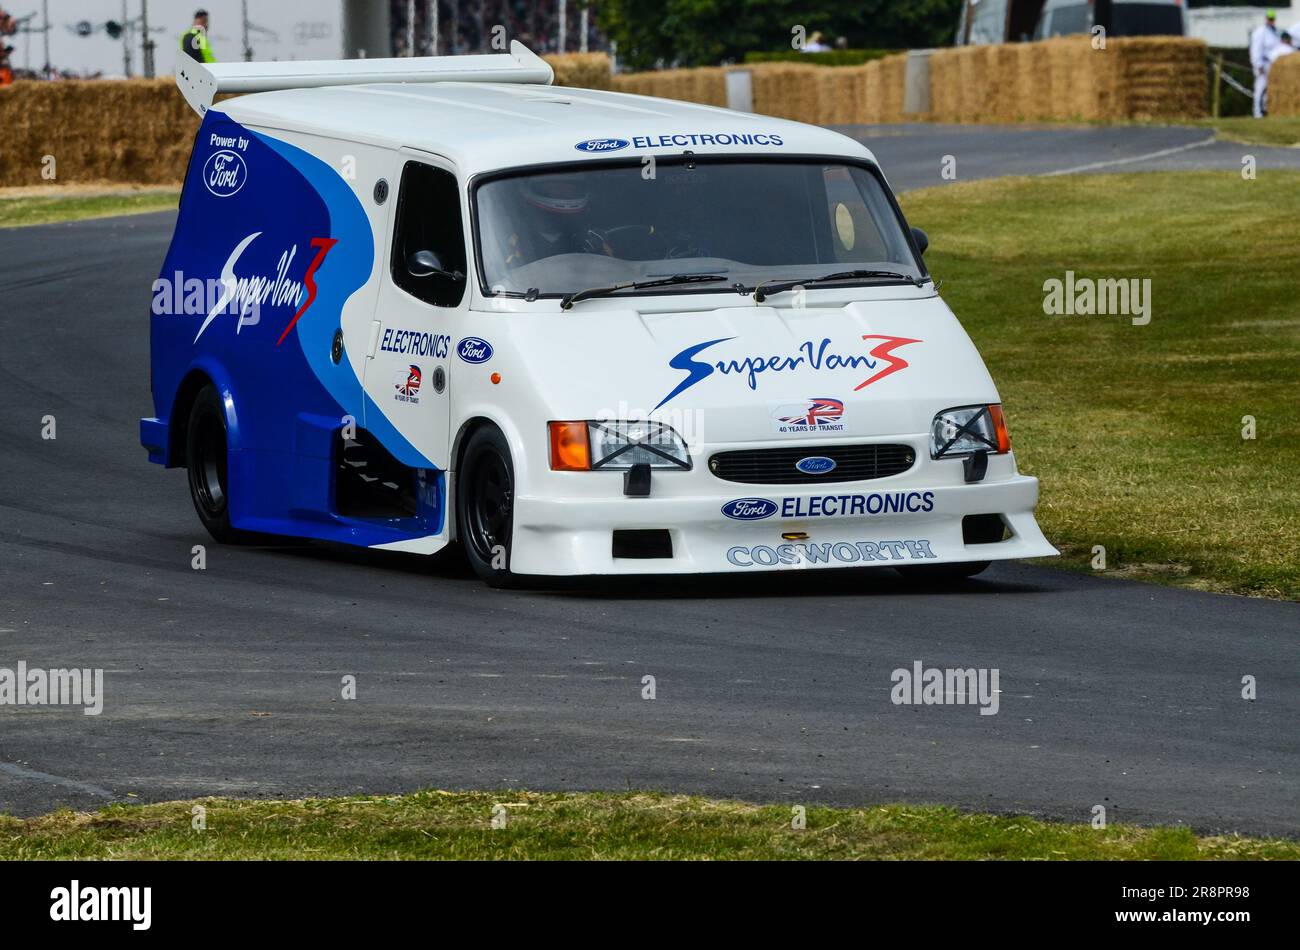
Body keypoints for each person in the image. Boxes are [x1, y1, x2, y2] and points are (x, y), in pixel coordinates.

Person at [1250, 10, 1281, 118]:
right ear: (1266, 19)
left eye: (1273, 19)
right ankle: (1258, 113)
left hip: (1272, 65)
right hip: (1263, 65)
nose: (1271, 21)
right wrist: (1258, 65)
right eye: (1270, 19)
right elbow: (1255, 50)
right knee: (1260, 88)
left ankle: (1266, 111)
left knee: (1269, 90)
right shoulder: (1260, 32)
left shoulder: (1275, 31)